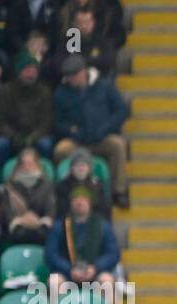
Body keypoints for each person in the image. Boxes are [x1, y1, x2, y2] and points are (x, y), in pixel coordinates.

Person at [52, 54, 129, 208]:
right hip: (77, 140)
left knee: (118, 145)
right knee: (61, 150)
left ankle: (118, 191)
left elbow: (121, 110)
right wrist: (71, 131)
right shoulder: (61, 92)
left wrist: (105, 128)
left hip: (102, 137)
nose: (69, 80)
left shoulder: (105, 85)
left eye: (72, 76)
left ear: (82, 72)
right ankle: (67, 188)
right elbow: (58, 121)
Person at [45, 185, 119, 287]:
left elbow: (113, 253)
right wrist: (69, 269)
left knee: (106, 280)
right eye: (76, 199)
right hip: (68, 273)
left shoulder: (103, 226)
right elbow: (51, 254)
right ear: (71, 203)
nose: (79, 202)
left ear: (90, 202)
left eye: (83, 199)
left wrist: (95, 268)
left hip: (95, 273)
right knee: (54, 281)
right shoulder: (60, 226)